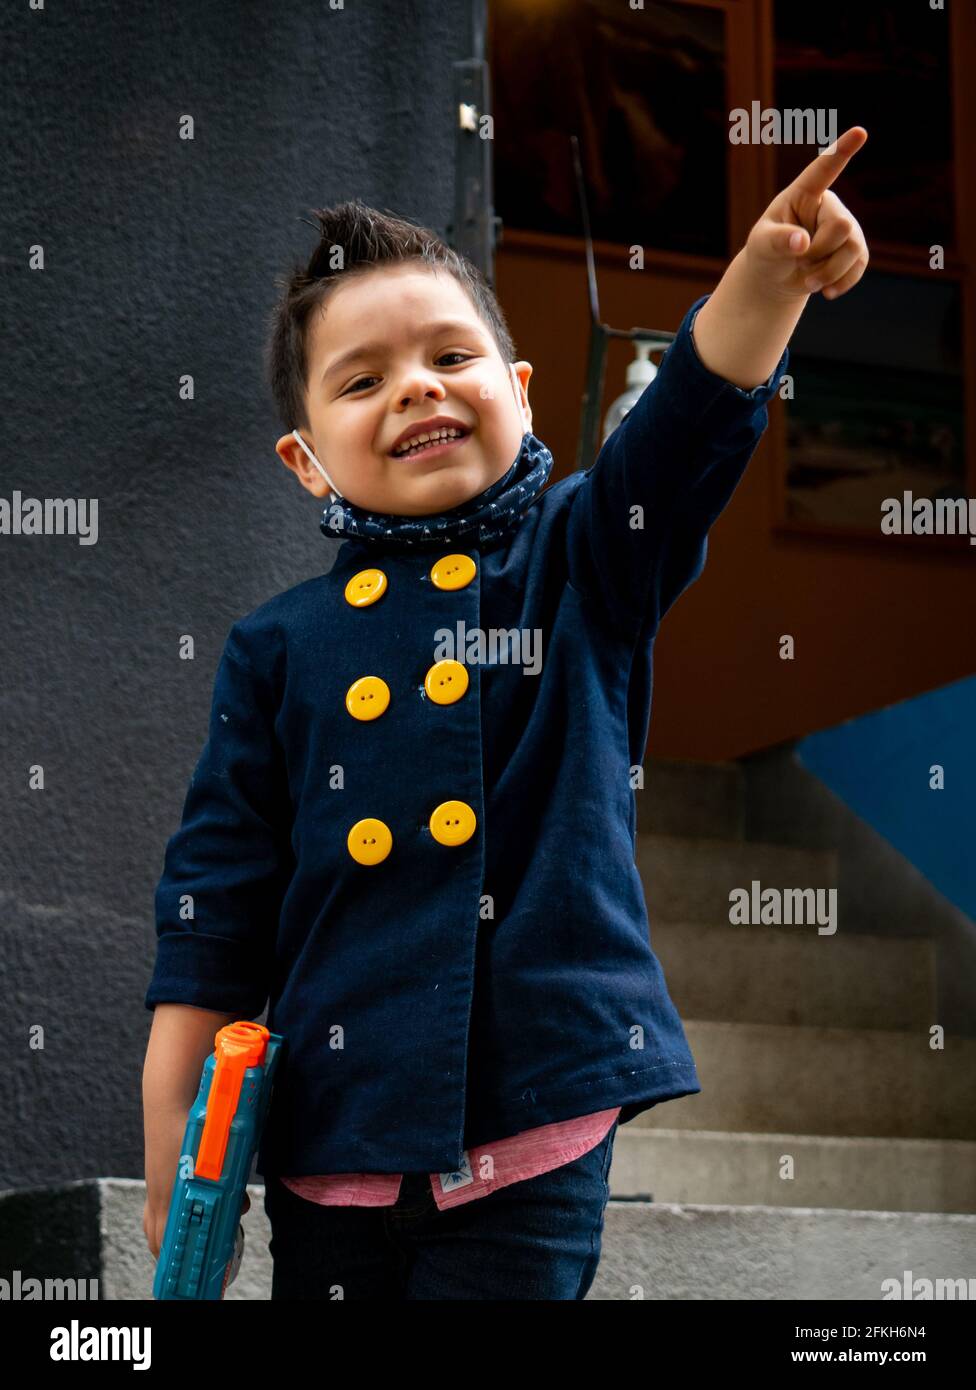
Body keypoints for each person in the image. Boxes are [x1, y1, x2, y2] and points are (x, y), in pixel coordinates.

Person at [143, 129, 869, 1300]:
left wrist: (768, 277)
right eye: (363, 379)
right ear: (305, 461)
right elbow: (214, 908)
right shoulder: (275, 647)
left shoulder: (581, 557)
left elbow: (681, 432)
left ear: (519, 395)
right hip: (333, 1146)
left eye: (449, 356)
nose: (418, 387)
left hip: (528, 1131)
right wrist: (178, 1162)